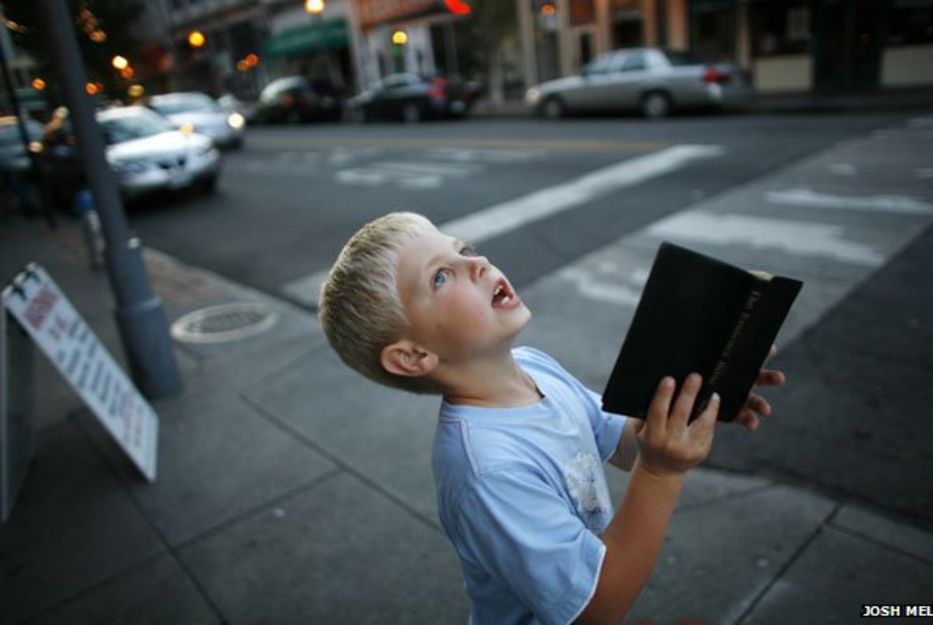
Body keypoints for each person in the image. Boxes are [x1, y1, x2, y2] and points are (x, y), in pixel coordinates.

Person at [318, 212, 785, 624]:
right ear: (413, 355)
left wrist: (698, 399)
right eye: (440, 277)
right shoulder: (487, 471)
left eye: (465, 249)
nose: (475, 264)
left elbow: (622, 444)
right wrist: (662, 473)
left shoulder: (533, 365)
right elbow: (596, 609)